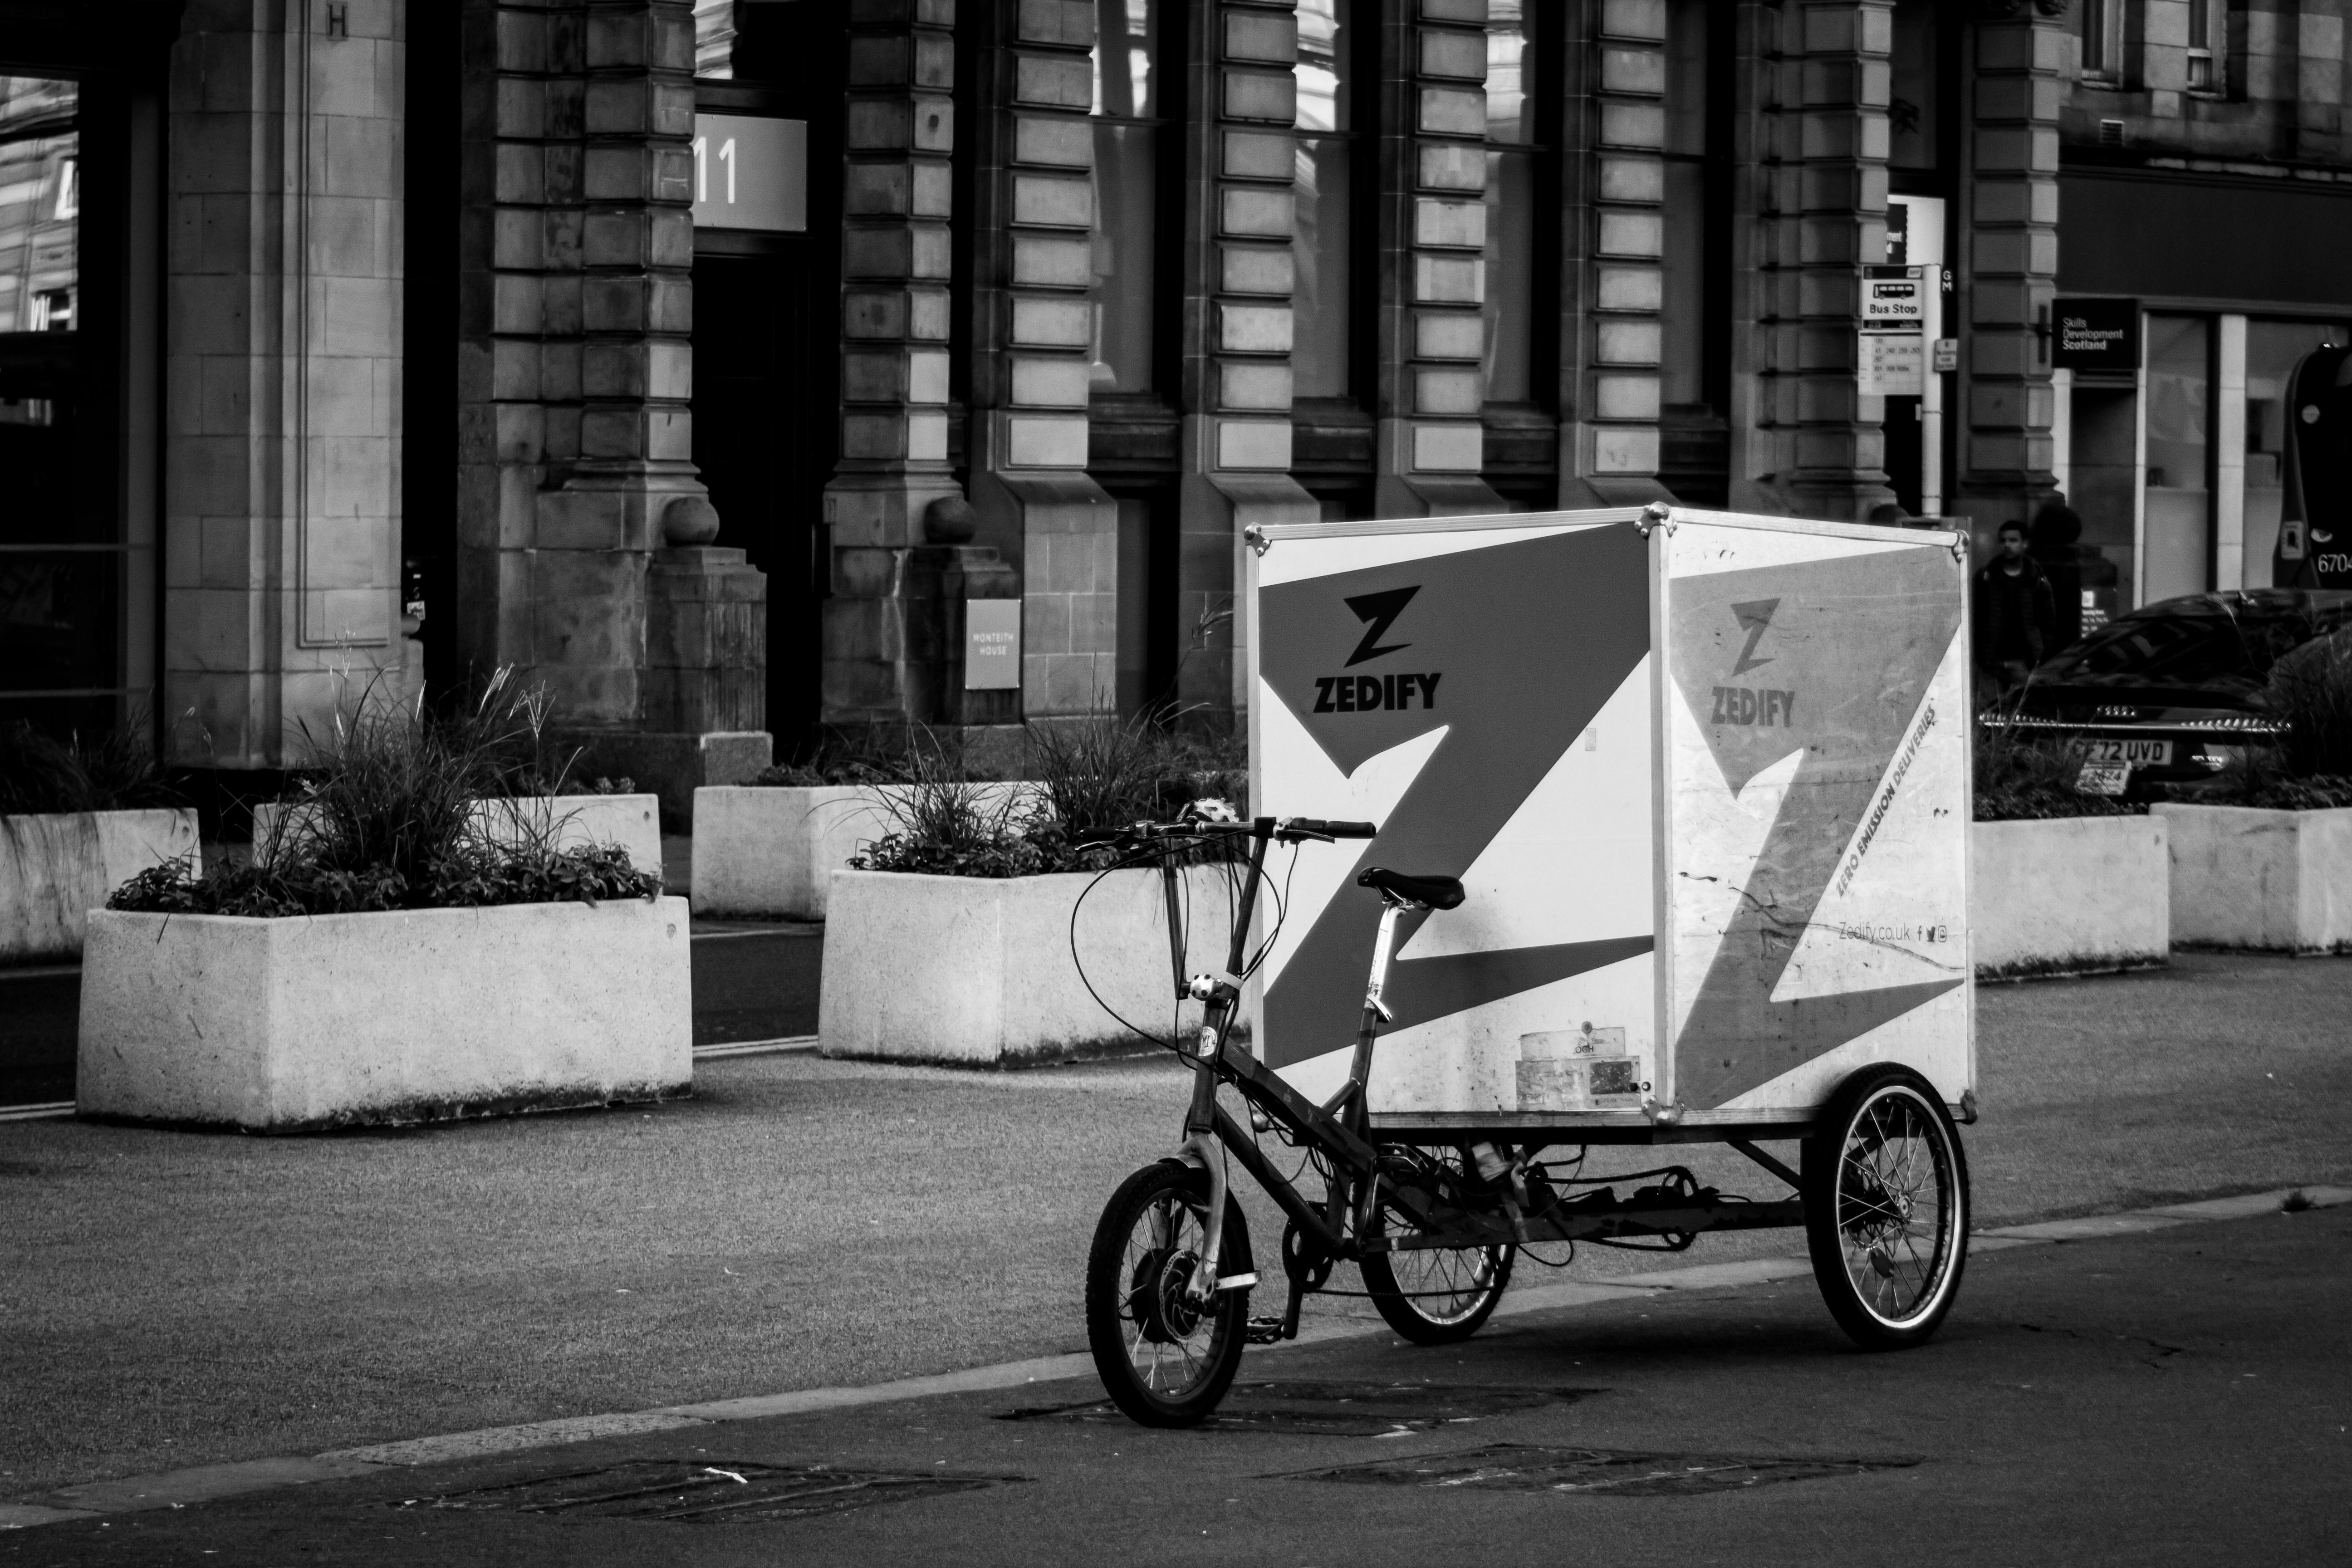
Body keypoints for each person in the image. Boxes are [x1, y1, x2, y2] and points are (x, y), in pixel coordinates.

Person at [1972, 520, 2057, 703]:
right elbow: (1975, 618)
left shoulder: (2037, 580)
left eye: (2013, 540)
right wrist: (1981, 657)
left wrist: (2040, 657)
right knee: (1988, 717)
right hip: (1991, 664)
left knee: (2024, 714)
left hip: (2024, 664)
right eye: (2003, 541)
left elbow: (2048, 622)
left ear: (2025, 544)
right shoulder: (1986, 577)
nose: (2007, 545)